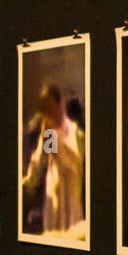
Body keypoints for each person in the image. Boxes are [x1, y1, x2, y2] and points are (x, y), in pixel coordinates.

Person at [22, 83, 85, 237]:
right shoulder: (49, 133)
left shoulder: (74, 131)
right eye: (45, 109)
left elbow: (74, 167)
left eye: (51, 107)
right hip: (53, 203)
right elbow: (41, 164)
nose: (49, 113)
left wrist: (55, 144)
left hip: (70, 202)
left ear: (59, 105)